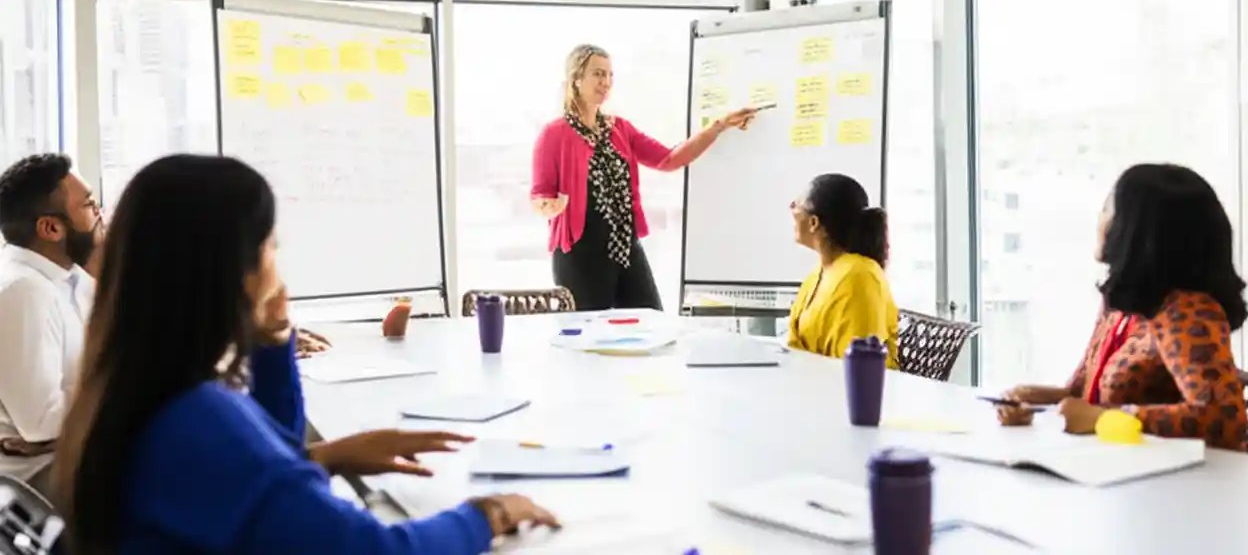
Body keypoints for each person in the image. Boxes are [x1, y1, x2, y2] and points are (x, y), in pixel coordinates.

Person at [53, 155, 557, 554]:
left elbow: (263, 470)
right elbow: (374, 551)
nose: (278, 262)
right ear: (232, 268)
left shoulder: (131, 387)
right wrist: (487, 514)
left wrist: (275, 347)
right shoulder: (198, 419)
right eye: (272, 245)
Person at [997, 164, 1248, 451]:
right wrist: (1032, 398)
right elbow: (1085, 394)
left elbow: (1223, 420)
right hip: (1117, 471)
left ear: (1139, 228)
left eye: (1108, 208)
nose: (1099, 219)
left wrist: (1105, 419)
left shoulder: (1187, 311)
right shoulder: (1121, 305)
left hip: (1182, 485)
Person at [531, 44, 755, 311]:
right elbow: (540, 195)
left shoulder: (620, 129)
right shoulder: (554, 133)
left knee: (651, 324)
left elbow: (670, 159)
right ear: (576, 79)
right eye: (598, 74)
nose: (606, 82)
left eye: (610, 75)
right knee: (587, 337)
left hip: (625, 248)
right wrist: (549, 206)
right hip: (580, 254)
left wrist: (718, 126)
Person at [0, 154, 104, 496]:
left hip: (66, 458)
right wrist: (120, 387)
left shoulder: (69, 276)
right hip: (40, 483)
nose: (101, 213)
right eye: (89, 205)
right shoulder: (23, 291)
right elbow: (42, 424)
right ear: (51, 228)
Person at [787, 174, 899, 364]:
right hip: (810, 383)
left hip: (846, 390)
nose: (791, 209)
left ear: (814, 222)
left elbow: (860, 366)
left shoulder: (861, 277)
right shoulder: (819, 273)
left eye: (796, 205)